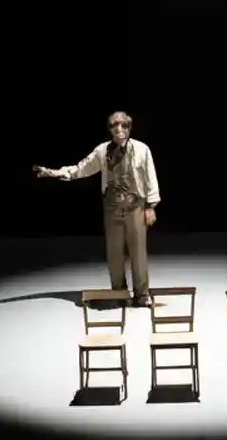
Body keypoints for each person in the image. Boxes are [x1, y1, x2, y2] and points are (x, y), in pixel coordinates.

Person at [34, 111, 160, 307]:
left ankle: (142, 294)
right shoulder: (102, 151)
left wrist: (151, 206)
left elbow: (150, 177)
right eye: (114, 127)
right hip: (112, 207)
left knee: (138, 253)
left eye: (123, 126)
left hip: (135, 206)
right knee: (114, 253)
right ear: (110, 129)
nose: (119, 130)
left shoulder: (142, 150)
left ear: (129, 128)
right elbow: (81, 168)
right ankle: (119, 293)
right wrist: (54, 172)